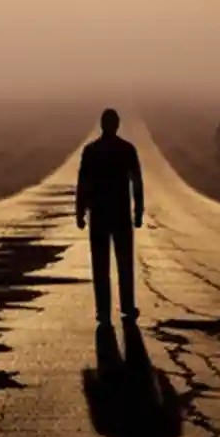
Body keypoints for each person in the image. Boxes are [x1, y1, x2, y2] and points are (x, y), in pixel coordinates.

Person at [76, 109, 145, 326]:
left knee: (100, 266)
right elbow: (137, 182)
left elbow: (83, 183)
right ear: (117, 125)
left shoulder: (91, 151)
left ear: (102, 125)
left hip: (99, 215)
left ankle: (103, 311)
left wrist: (79, 211)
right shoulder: (127, 150)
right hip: (120, 214)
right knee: (125, 264)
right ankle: (127, 306)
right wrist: (138, 211)